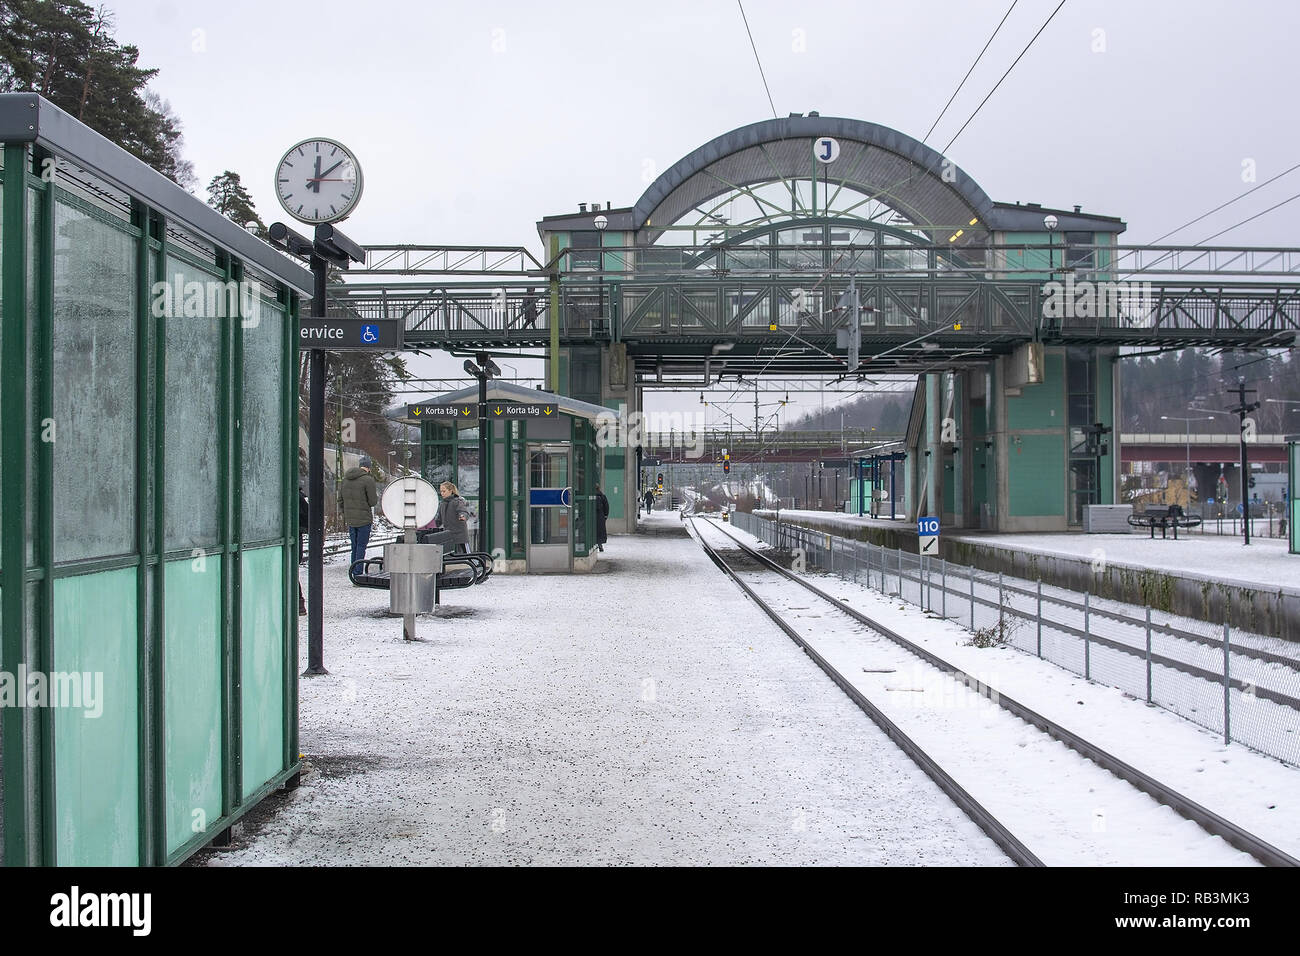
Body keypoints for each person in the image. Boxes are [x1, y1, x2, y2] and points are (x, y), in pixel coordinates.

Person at [339, 456, 379, 580]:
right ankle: (358, 573)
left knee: (354, 546)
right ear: (369, 467)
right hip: (364, 519)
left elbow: (340, 500)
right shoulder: (368, 480)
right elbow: (373, 501)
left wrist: (346, 513)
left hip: (350, 519)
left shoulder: (345, 480)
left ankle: (353, 570)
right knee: (361, 546)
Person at [438, 480, 473, 553]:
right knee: (445, 554)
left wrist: (463, 516)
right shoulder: (442, 504)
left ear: (450, 491)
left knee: (467, 553)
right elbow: (439, 519)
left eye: (444, 491)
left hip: (460, 534)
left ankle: (477, 564)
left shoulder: (457, 501)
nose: (442, 493)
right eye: (441, 491)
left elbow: (463, 511)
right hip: (448, 533)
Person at [298, 486, 309, 614]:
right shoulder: (299, 496)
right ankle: (299, 604)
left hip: (294, 536)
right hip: (296, 536)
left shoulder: (297, 496)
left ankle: (299, 604)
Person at [595, 484, 609, 552]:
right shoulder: (602, 496)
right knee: (600, 531)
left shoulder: (592, 496)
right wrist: (605, 515)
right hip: (600, 516)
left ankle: (593, 545)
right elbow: (606, 506)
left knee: (593, 530)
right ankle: (600, 545)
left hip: (593, 516)